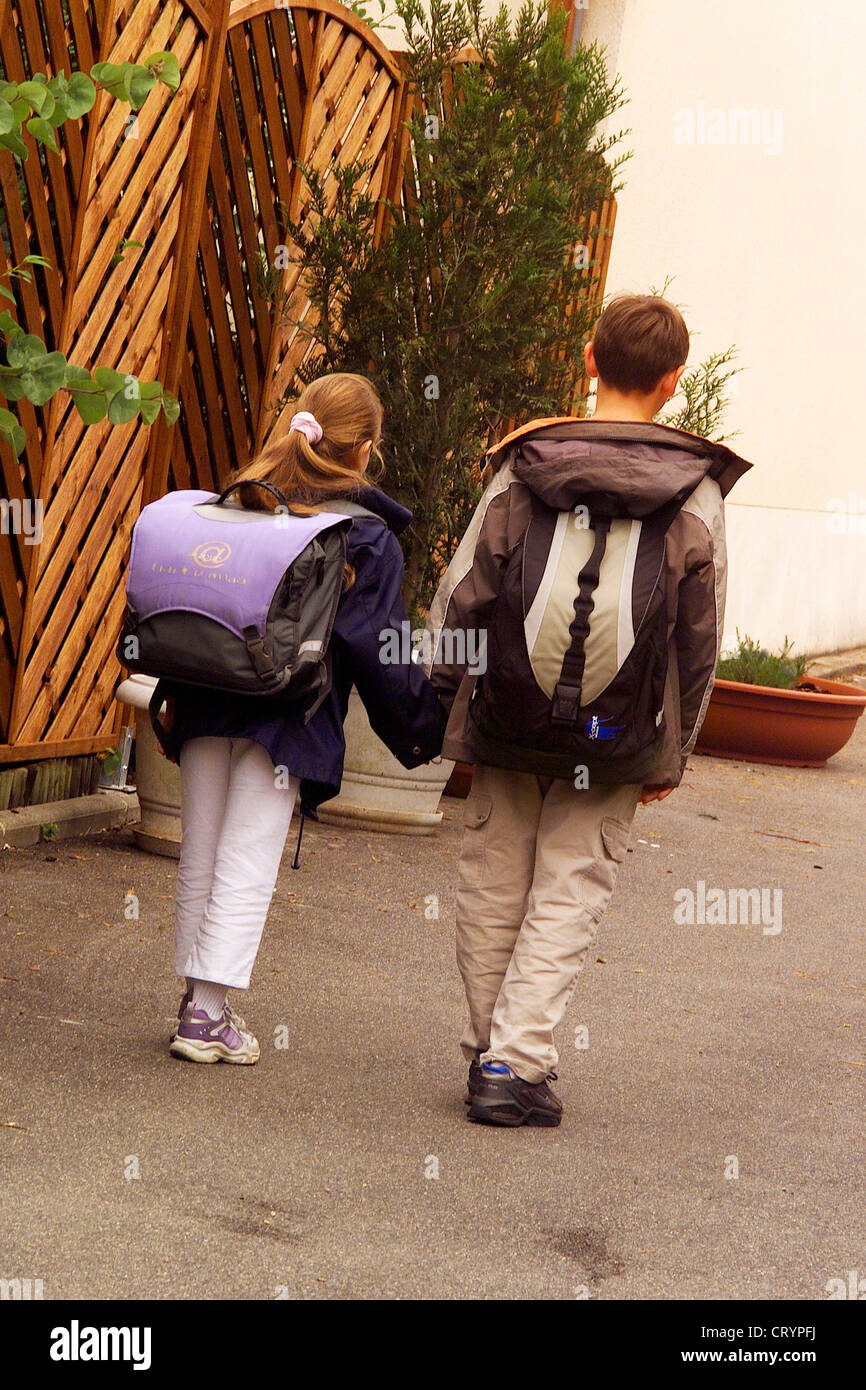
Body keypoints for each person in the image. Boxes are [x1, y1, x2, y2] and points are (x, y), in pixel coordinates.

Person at [426, 294, 752, 1126]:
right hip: (617, 730)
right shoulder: (698, 493)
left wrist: (438, 706)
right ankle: (513, 1063)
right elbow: (700, 642)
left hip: (508, 711)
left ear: (588, 360)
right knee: (571, 884)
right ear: (674, 383)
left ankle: (489, 1052)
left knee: (495, 874)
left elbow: (463, 592)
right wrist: (669, 755)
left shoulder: (524, 463)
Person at [161, 372, 447, 1064]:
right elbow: (376, 649)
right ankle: (207, 1014)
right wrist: (424, 727)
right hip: (291, 713)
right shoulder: (365, 533)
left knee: (201, 844)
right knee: (248, 853)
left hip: (205, 691)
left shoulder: (245, 496)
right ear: (366, 450)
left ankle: (195, 997)